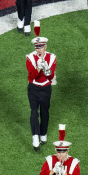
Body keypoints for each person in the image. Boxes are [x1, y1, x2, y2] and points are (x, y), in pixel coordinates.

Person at [26, 21, 57, 150]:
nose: (39, 50)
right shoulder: (30, 58)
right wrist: (39, 67)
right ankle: (35, 137)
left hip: (45, 88)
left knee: (45, 111)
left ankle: (43, 133)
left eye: (41, 47)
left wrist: (46, 69)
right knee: (34, 111)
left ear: (45, 47)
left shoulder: (52, 57)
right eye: (37, 47)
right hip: (33, 88)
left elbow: (50, 76)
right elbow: (33, 75)